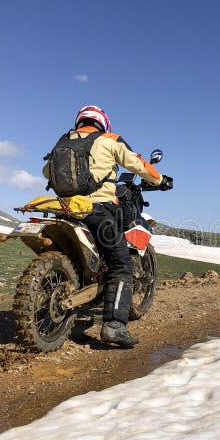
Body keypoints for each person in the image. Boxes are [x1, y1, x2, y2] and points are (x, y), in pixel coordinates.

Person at [43, 105, 172, 347]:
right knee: (121, 262)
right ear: (103, 123)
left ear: (80, 121)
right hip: (98, 209)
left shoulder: (62, 142)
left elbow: (46, 171)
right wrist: (160, 180)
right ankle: (114, 325)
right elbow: (139, 165)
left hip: (64, 208)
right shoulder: (109, 140)